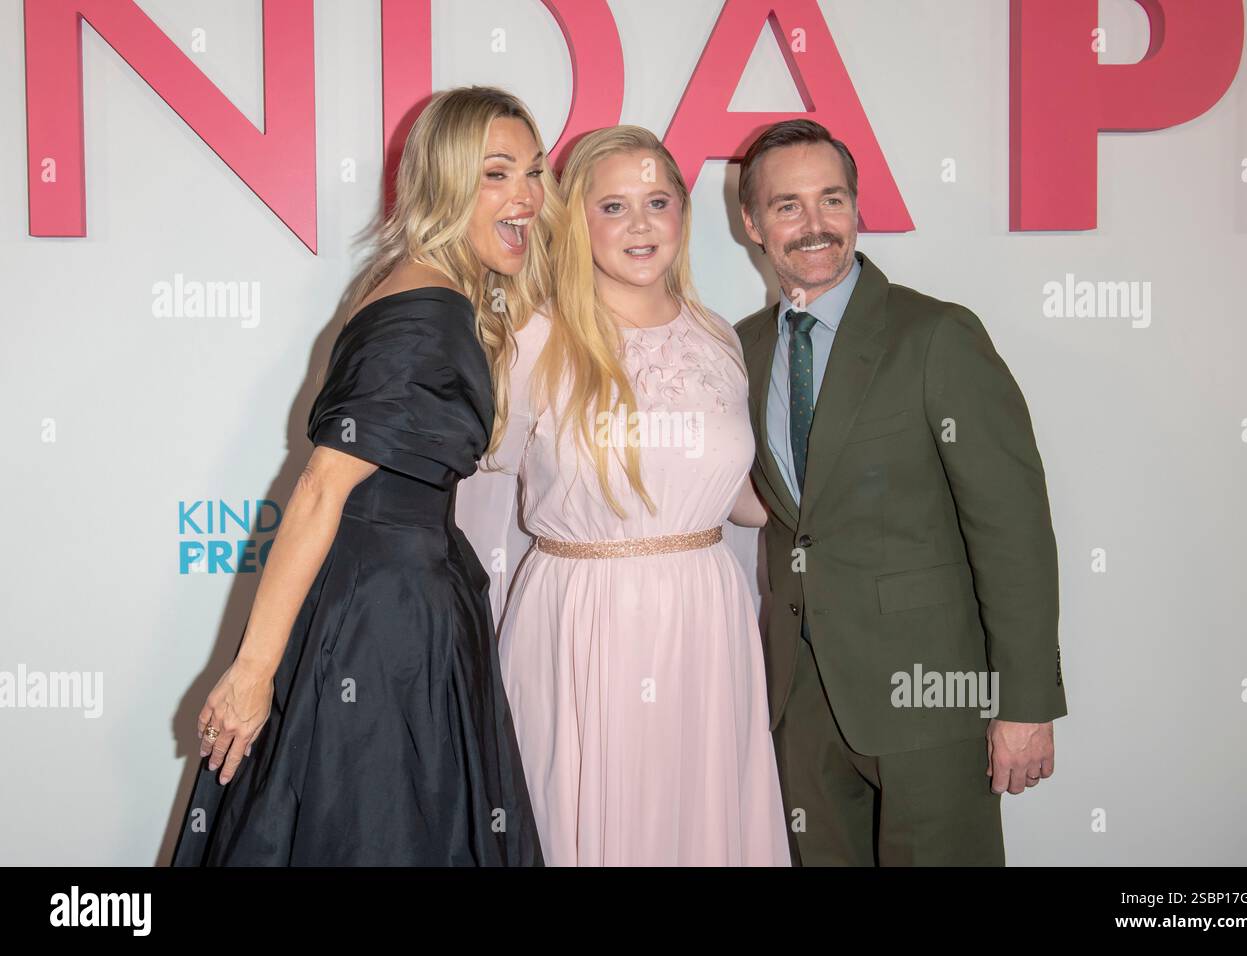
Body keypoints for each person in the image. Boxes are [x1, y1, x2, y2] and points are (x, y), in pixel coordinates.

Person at [171, 86, 560, 866]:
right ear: (444, 185)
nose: (527, 196)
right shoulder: (427, 311)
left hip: (389, 601)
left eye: (535, 170)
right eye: (495, 174)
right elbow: (320, 488)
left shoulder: (413, 286)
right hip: (388, 621)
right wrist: (253, 672)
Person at [733, 118, 1066, 866]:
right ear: (752, 222)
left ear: (857, 207)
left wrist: (1026, 705)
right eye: (788, 206)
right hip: (801, 702)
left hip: (933, 699)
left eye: (833, 200)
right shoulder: (744, 350)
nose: (815, 225)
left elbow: (1013, 532)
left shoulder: (936, 336)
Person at [485, 126, 789, 865]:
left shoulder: (720, 340)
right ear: (573, 221)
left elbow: (738, 497)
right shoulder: (531, 341)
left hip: (705, 619)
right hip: (581, 621)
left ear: (684, 214)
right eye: (613, 206)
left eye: (657, 201)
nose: (642, 224)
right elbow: (479, 497)